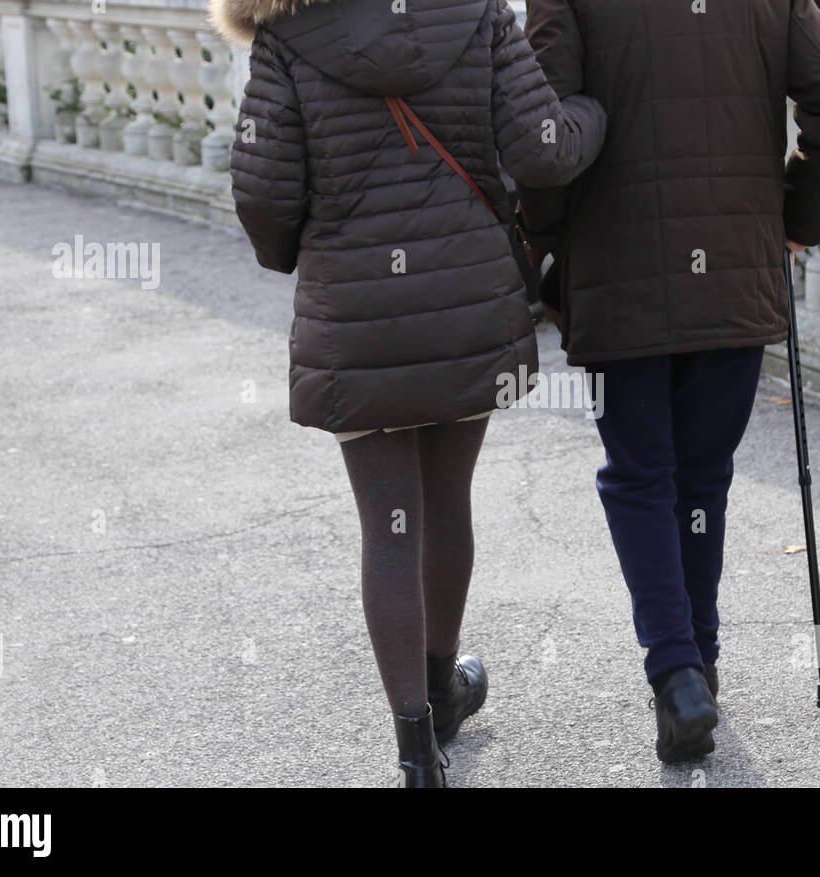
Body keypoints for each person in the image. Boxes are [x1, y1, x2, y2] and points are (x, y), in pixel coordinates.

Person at [212, 0, 606, 786]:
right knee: (447, 498)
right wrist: (593, 111)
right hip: (467, 307)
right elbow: (543, 149)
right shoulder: (479, 15)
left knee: (387, 527)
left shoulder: (287, 35)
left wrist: (304, 252)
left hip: (357, 316)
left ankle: (415, 747)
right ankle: (440, 682)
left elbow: (262, 192)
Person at [518, 0, 820, 764]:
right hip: (733, 269)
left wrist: (546, 248)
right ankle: (697, 666)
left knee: (641, 474)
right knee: (701, 477)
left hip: (620, 272)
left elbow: (543, 136)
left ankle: (678, 671)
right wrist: (792, 216)